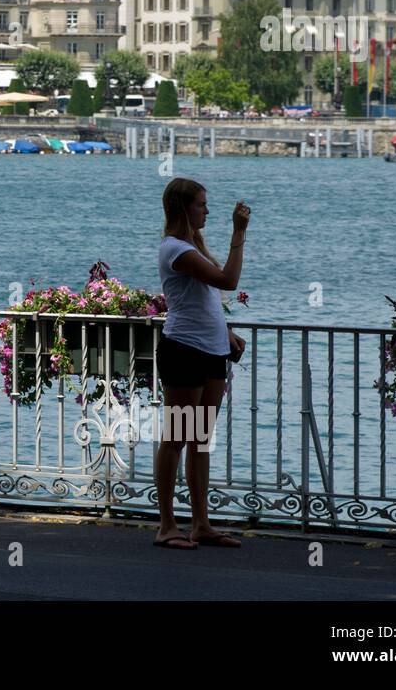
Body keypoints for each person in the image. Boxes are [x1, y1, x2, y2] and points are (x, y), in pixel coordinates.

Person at [153, 178, 249, 549]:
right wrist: (238, 233)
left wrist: (225, 334)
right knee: (176, 438)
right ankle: (166, 526)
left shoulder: (192, 246)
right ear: (183, 208)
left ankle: (200, 524)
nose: (207, 211)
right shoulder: (175, 249)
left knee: (200, 440)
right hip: (183, 350)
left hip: (211, 352)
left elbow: (203, 299)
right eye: (201, 205)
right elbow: (228, 280)